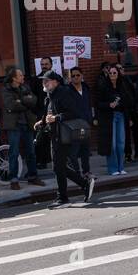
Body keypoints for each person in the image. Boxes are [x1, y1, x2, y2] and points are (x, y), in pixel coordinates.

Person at [36, 71, 96, 206]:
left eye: (47, 80)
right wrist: (42, 122)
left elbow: (74, 113)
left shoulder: (64, 93)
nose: (44, 83)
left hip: (64, 135)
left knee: (58, 167)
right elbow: (49, 114)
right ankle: (80, 186)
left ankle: (64, 196)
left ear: (56, 82)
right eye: (43, 80)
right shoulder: (49, 95)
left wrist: (56, 118)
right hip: (55, 134)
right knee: (59, 167)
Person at [1, 68, 43, 190]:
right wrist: (25, 102)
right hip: (14, 125)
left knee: (31, 152)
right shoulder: (6, 89)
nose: (23, 76)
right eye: (20, 75)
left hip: (27, 123)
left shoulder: (25, 87)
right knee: (14, 152)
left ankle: (32, 176)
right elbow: (11, 105)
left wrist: (21, 101)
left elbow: (34, 100)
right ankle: (13, 179)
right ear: (14, 78)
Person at [95, 62, 129, 176]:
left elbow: (129, 101)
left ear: (118, 74)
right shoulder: (104, 87)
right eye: (110, 73)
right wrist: (108, 105)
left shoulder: (122, 86)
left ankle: (121, 167)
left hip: (120, 115)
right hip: (109, 117)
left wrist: (122, 102)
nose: (113, 74)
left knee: (121, 143)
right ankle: (113, 168)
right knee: (112, 144)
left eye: (115, 72)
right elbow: (98, 103)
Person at [68, 67, 95, 176]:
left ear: (82, 75)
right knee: (74, 150)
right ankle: (75, 172)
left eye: (77, 75)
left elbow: (90, 104)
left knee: (85, 149)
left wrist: (92, 118)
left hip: (86, 123)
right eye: (73, 76)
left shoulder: (86, 88)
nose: (75, 77)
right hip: (74, 125)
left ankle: (86, 171)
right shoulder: (67, 90)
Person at [118, 65, 138, 162]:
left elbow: (136, 76)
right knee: (126, 133)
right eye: (120, 68)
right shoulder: (117, 83)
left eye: (122, 68)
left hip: (133, 108)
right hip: (124, 110)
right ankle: (127, 154)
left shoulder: (127, 78)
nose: (123, 69)